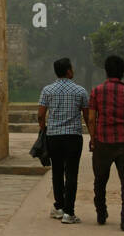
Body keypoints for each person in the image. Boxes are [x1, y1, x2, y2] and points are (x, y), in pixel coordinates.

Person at [84, 54, 124, 231]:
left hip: (102, 142)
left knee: (100, 181)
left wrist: (93, 139)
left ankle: (101, 213)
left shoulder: (96, 91)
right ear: (123, 72)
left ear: (106, 71)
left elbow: (92, 118)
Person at [37, 57, 88, 222]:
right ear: (68, 71)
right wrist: (93, 136)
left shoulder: (47, 90)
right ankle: (69, 212)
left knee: (57, 172)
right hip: (73, 137)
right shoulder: (80, 91)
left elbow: (40, 115)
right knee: (72, 173)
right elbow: (88, 117)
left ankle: (59, 206)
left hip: (54, 137)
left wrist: (44, 129)